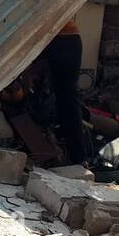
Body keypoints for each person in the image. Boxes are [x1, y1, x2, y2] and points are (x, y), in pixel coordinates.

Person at [40, 19, 90, 165]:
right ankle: (77, 157)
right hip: (67, 38)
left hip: (55, 38)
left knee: (66, 99)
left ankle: (76, 157)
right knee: (67, 99)